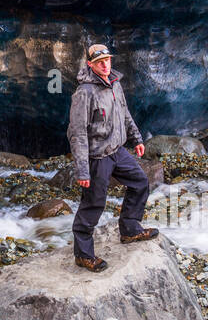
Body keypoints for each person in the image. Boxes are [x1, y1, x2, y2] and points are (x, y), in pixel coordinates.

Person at [66, 43, 158, 272]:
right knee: (93, 204)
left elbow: (124, 113)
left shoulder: (115, 84)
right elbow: (76, 133)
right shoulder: (84, 93)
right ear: (90, 65)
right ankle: (83, 255)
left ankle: (129, 230)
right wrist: (82, 170)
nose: (105, 65)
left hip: (117, 151)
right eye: (99, 62)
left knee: (140, 182)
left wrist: (136, 139)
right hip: (97, 157)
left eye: (107, 60)